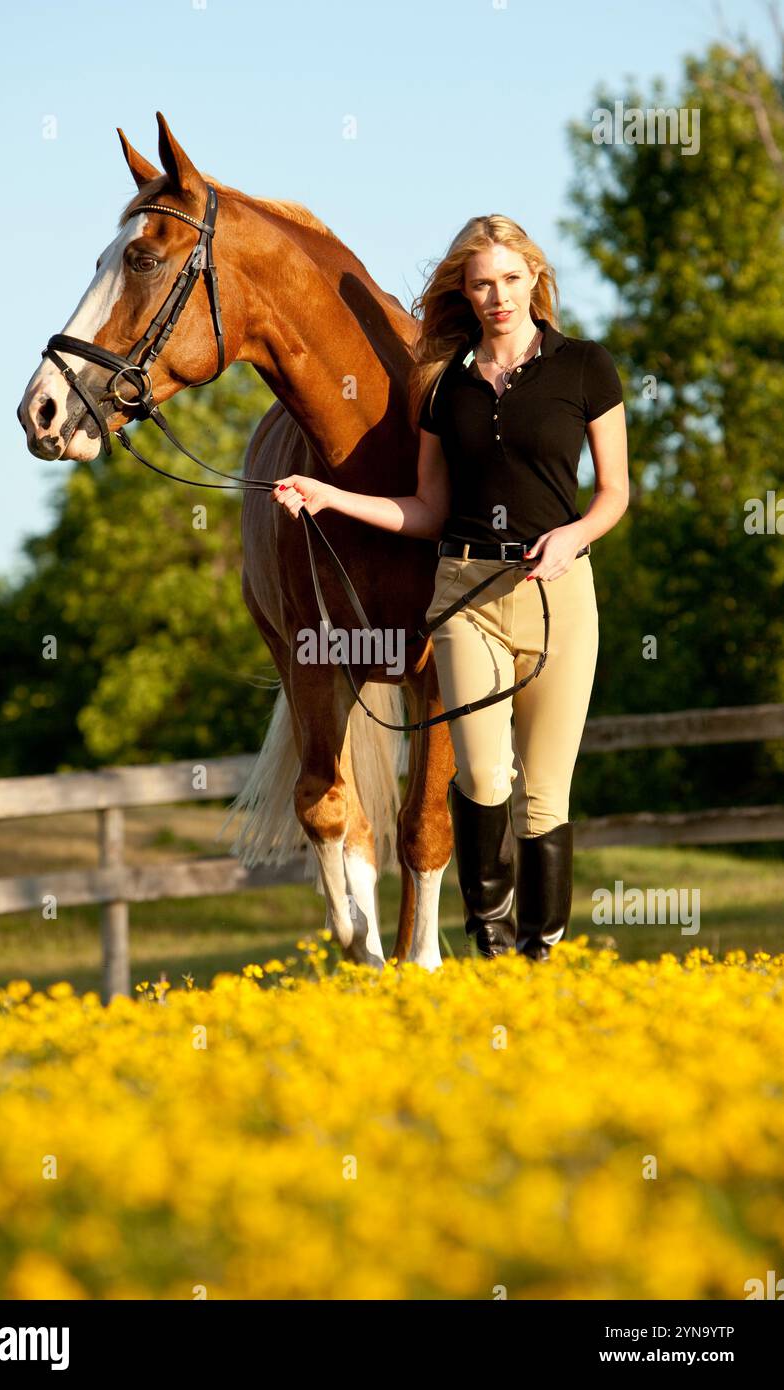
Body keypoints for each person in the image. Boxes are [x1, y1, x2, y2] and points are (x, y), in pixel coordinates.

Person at [271, 214, 629, 962]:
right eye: (479, 284)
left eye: (507, 279)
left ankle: (540, 953)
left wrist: (574, 535)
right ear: (463, 294)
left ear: (534, 276)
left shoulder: (586, 368)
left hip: (557, 595)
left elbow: (616, 493)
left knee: (545, 795)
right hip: (465, 596)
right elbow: (426, 509)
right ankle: (490, 938)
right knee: (483, 773)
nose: (496, 296)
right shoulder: (443, 387)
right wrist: (330, 496)